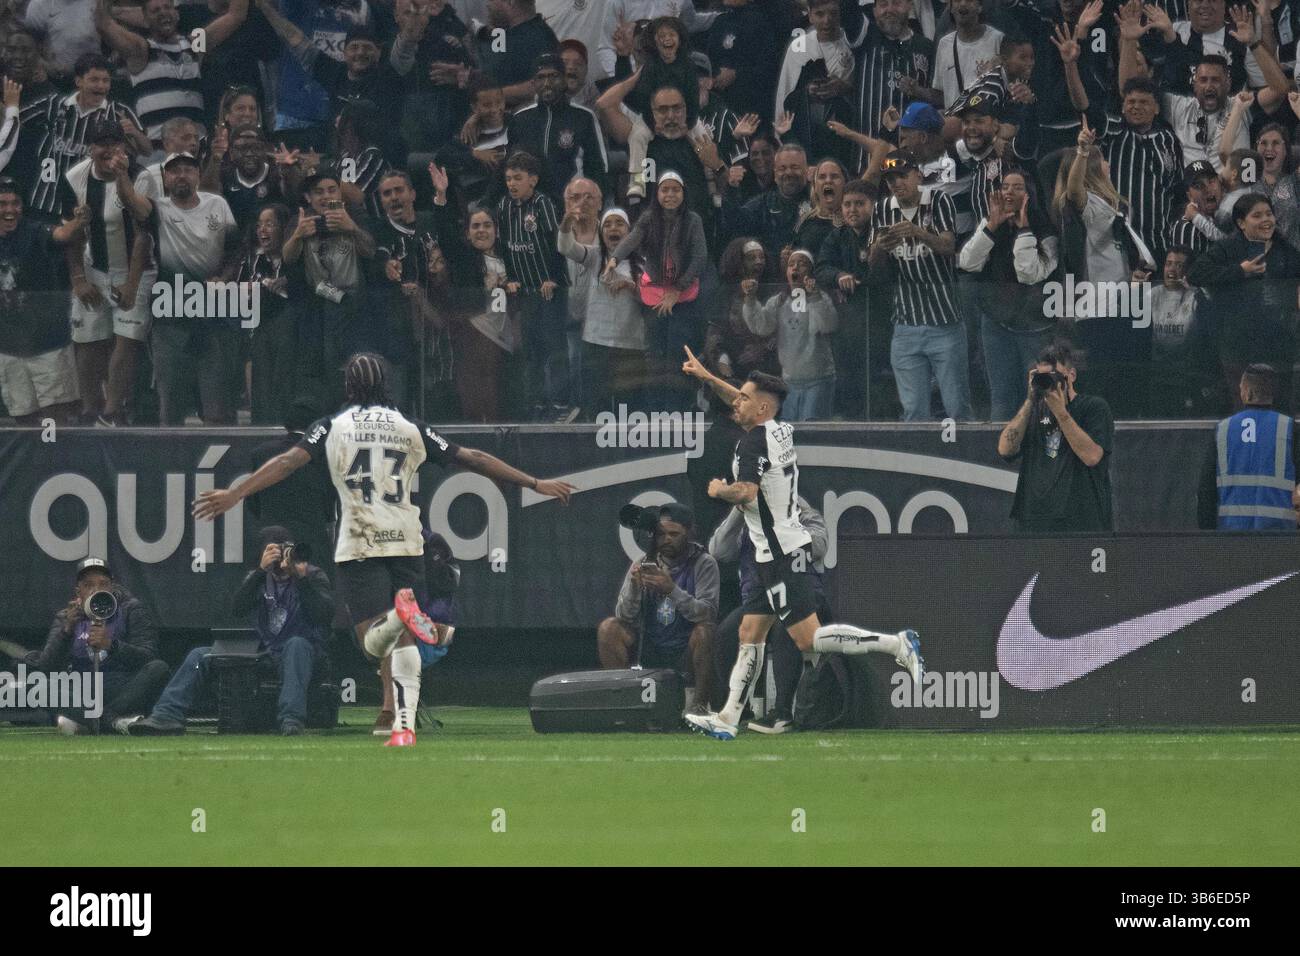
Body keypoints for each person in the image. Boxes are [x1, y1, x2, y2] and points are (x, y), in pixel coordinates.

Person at [193, 352, 577, 746]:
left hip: (362, 540)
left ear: (348, 387)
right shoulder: (411, 427)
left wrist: (236, 492)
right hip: (408, 539)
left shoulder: (330, 426)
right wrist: (534, 482)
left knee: (371, 638)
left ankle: (400, 625)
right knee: (402, 637)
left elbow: (289, 462)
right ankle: (400, 720)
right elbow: (473, 457)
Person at [678, 357, 923, 740]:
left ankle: (896, 644)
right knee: (749, 631)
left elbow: (746, 491)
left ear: (759, 408)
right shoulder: (778, 428)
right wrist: (709, 377)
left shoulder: (752, 442)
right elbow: (750, 401)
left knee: (806, 639)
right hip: (769, 554)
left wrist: (717, 489)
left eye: (741, 400)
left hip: (780, 556)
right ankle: (728, 717)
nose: (734, 404)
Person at [121, 526, 336, 736]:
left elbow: (324, 614)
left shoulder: (312, 575)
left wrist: (301, 579)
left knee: (296, 644)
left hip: (306, 654)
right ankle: (166, 714)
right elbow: (237, 608)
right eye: (273, 551)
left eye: (284, 550)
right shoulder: (258, 579)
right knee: (200, 655)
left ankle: (291, 720)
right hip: (266, 653)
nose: (281, 559)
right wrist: (260, 572)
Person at [708, 493, 829, 734]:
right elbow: (718, 550)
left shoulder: (797, 508)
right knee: (727, 633)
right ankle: (739, 710)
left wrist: (782, 532)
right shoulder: (746, 518)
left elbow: (819, 545)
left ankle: (782, 713)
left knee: (787, 630)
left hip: (800, 596)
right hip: (759, 601)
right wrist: (739, 511)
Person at [137, 150, 242, 425]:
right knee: (170, 407)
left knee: (217, 407)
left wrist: (225, 277)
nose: (181, 174)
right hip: (169, 315)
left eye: (188, 169)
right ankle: (170, 462)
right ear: (165, 177)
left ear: (197, 175)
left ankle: (224, 467)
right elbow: (130, 203)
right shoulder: (156, 207)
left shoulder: (217, 204)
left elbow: (235, 252)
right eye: (174, 170)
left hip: (213, 315)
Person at [869, 148, 972, 422]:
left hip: (945, 323)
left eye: (902, 176)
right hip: (905, 325)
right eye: (890, 179)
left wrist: (917, 233)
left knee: (957, 407)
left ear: (918, 174)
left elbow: (949, 247)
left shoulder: (938, 200)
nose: (896, 183)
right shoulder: (881, 208)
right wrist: (880, 247)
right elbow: (873, 265)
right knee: (913, 411)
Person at [958, 168, 1060, 421]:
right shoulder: (992, 223)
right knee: (1001, 397)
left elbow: (1029, 273)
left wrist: (1024, 229)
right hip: (996, 322)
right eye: (1005, 187)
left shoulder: (1046, 231)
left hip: (1034, 327)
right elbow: (967, 262)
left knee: (1038, 396)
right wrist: (991, 227)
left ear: (1029, 194)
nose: (1009, 192)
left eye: (1017, 187)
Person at [596, 502, 719, 712]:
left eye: (674, 534)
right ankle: (622, 701)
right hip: (651, 645)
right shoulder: (644, 562)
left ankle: (699, 706)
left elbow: (707, 613)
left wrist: (672, 589)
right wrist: (635, 588)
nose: (667, 539)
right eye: (661, 534)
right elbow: (624, 616)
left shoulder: (704, 563)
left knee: (706, 632)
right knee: (609, 628)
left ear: (689, 533)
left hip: (685, 649)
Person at [24, 557, 168, 734]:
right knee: (36, 684)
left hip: (121, 688)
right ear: (79, 591)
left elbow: (148, 656)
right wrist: (66, 631)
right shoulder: (66, 616)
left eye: (103, 584)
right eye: (89, 585)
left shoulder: (131, 609)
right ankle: (113, 722)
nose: (96, 590)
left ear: (112, 586)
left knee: (159, 669)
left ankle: (86, 721)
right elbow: (46, 667)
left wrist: (112, 645)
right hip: (80, 690)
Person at [1186, 192, 1300, 412]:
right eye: (1257, 215)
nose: (1266, 220)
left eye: (1269, 214)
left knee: (1280, 405)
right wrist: (1239, 271)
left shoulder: (1285, 250)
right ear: (1241, 223)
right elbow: (1196, 274)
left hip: (1279, 343)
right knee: (1244, 406)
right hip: (1238, 344)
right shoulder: (1228, 248)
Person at [604, 170, 708, 411]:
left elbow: (700, 258)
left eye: (675, 190)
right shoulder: (649, 218)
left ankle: (680, 406)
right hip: (654, 294)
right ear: (657, 193)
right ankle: (655, 409)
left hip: (683, 295)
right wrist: (614, 259)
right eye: (665, 189)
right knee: (654, 355)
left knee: (677, 352)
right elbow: (632, 239)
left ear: (683, 193)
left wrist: (678, 289)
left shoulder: (693, 220)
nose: (670, 194)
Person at [997, 339, 1115, 533]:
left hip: (1079, 520)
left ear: (1071, 376)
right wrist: (1030, 400)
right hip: (1033, 519)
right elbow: (1005, 449)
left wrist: (1060, 411)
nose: (1048, 383)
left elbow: (1092, 456)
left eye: (1054, 377)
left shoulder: (1094, 407)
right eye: (1042, 377)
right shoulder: (1032, 412)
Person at [0, 174, 81, 424]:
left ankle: (59, 463)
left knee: (55, 421)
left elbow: (63, 235)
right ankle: (35, 464)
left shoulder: (34, 230)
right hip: (9, 347)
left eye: (15, 203)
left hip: (48, 343)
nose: (10, 209)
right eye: (3, 204)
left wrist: (82, 219)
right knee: (23, 418)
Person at [1197, 364, 1299, 530]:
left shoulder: (1223, 430)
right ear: (1272, 393)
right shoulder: (1290, 429)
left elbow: (1206, 493)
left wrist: (1208, 536)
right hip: (1280, 539)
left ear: (1246, 392)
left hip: (1231, 537)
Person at [741, 248, 838, 421]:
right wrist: (750, 299)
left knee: (813, 431)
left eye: (802, 264)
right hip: (789, 381)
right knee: (789, 429)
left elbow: (828, 325)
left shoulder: (820, 297)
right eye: (791, 264)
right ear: (786, 272)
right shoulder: (779, 301)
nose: (795, 268)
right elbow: (761, 327)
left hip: (819, 379)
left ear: (811, 271)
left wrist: (814, 297)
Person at [506, 53, 608, 199]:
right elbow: (509, 167)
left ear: (564, 80)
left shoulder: (583, 117)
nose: (547, 83)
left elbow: (598, 169)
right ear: (533, 83)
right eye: (541, 77)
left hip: (571, 205)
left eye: (553, 76)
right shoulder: (520, 119)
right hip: (530, 205)